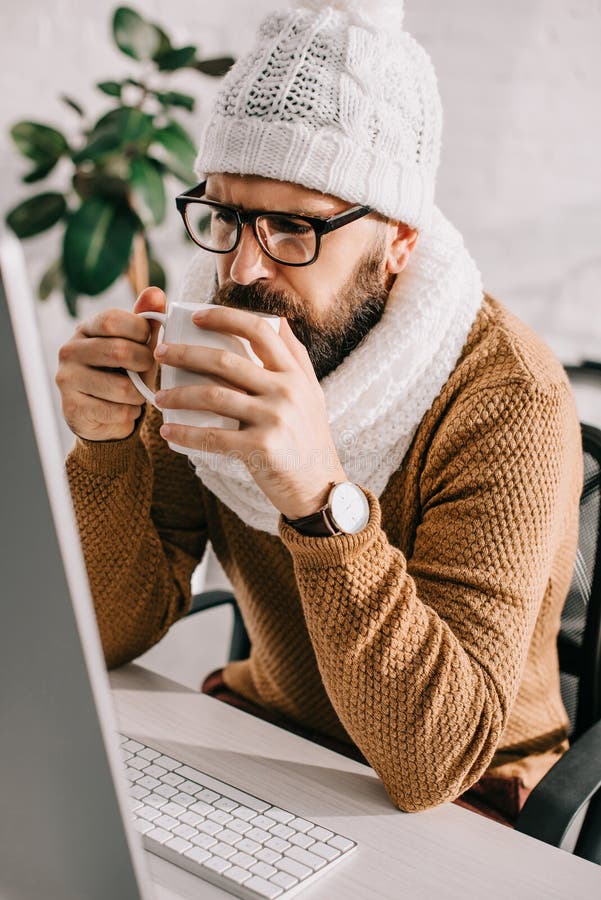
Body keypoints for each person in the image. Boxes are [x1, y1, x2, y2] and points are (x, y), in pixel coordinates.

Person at [56, 0, 582, 828]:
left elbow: (432, 763)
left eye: (295, 228)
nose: (243, 267)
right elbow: (106, 635)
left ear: (398, 240)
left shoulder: (507, 398)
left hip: (466, 791)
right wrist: (103, 449)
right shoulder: (208, 321)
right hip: (267, 734)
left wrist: (319, 498)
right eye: (226, 215)